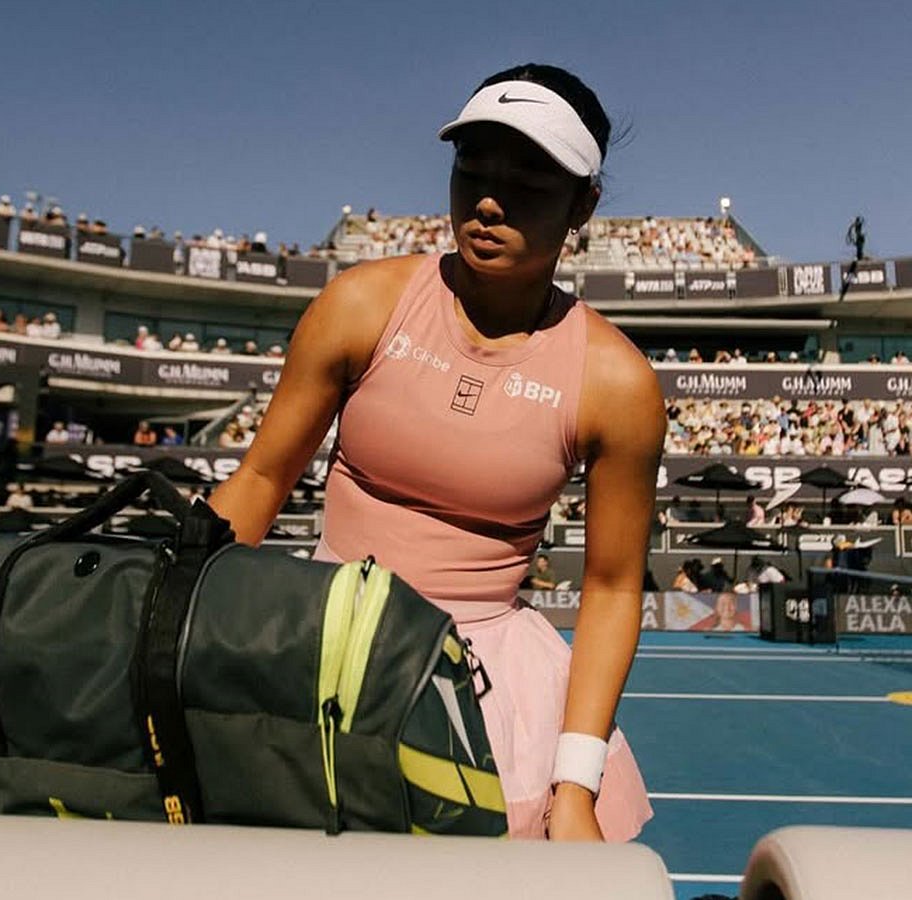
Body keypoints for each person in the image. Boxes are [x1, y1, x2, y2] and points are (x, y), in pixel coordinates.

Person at [208, 64, 661, 842]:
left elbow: (614, 588)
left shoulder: (618, 384)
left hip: (486, 697)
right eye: (472, 169)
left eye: (528, 182)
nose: (488, 201)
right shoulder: (362, 302)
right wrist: (164, 621)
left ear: (584, 204)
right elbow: (259, 478)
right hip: (315, 646)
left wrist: (576, 785)